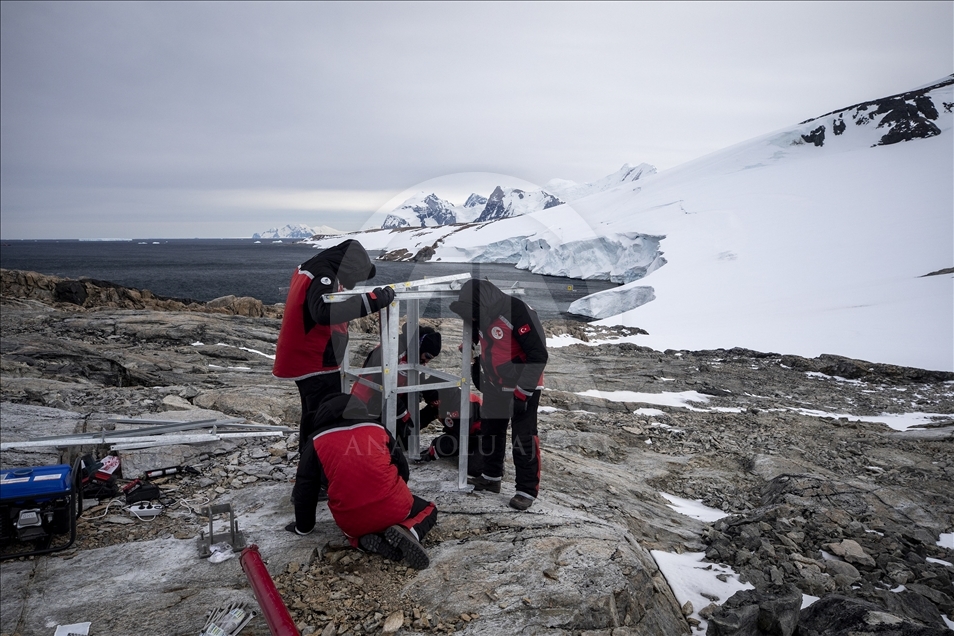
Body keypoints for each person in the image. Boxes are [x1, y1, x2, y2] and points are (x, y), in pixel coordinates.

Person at [286, 393, 438, 569]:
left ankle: (360, 541)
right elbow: (402, 468)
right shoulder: (378, 429)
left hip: (352, 519)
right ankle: (410, 530)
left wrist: (303, 527)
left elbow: (305, 490)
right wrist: (393, 493)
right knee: (429, 509)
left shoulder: (315, 442)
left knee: (351, 530)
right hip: (395, 508)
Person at [272, 239, 395, 453]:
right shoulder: (323, 274)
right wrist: (374, 300)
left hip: (306, 356)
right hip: (314, 359)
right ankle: (320, 466)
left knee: (313, 413)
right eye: (355, 278)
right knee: (325, 415)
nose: (353, 284)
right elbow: (322, 311)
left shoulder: (312, 267)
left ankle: (309, 463)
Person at [449, 279, 548, 511]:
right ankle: (491, 477)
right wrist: (474, 356)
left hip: (524, 386)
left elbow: (538, 354)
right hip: (495, 383)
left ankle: (526, 490)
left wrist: (523, 393)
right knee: (491, 431)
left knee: (523, 437)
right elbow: (481, 341)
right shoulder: (480, 313)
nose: (472, 320)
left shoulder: (517, 312)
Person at [350, 324, 443, 449]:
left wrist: (434, 400)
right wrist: (402, 413)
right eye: (427, 356)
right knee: (377, 445)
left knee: (404, 443)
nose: (427, 361)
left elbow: (419, 384)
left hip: (393, 400)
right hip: (368, 400)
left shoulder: (417, 359)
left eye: (430, 359)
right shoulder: (394, 349)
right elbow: (380, 384)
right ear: (420, 346)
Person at [417, 385, 484, 479]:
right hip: (464, 436)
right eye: (430, 403)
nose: (433, 404)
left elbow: (459, 437)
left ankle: (495, 458)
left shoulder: (463, 404)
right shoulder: (438, 402)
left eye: (435, 402)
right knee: (445, 446)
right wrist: (404, 431)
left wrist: (435, 448)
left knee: (474, 469)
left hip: (483, 437)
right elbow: (421, 419)